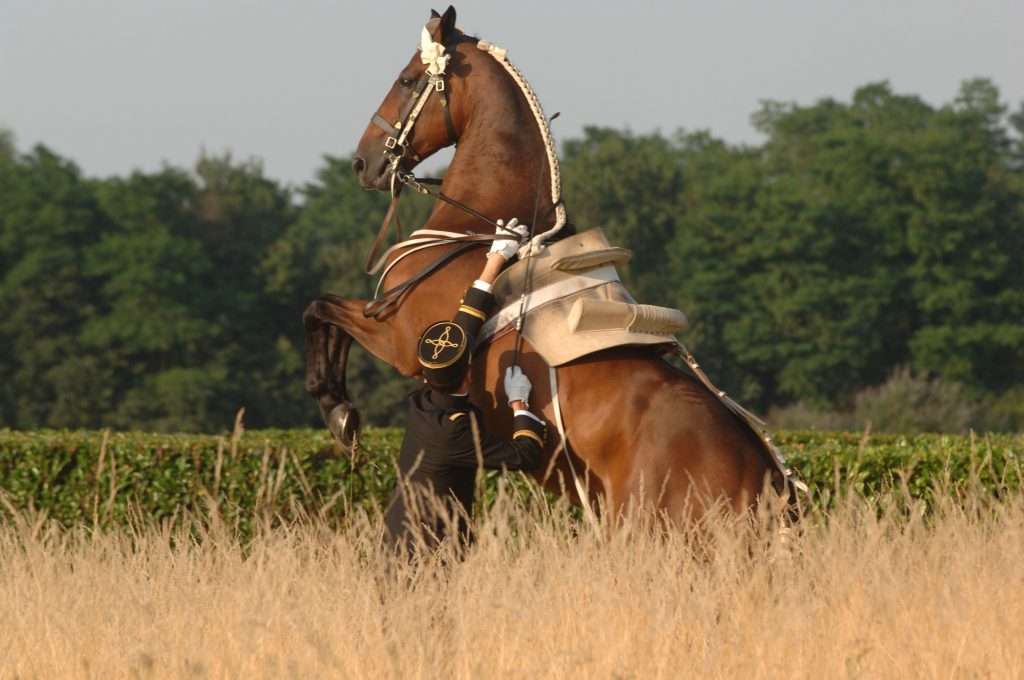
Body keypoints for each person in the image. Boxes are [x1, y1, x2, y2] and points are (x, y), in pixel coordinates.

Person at [384, 220, 547, 554]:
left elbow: (462, 330)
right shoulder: (452, 433)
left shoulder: (425, 402)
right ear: (469, 373)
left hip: (398, 542)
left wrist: (497, 258)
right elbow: (524, 456)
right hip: (427, 555)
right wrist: (520, 405)